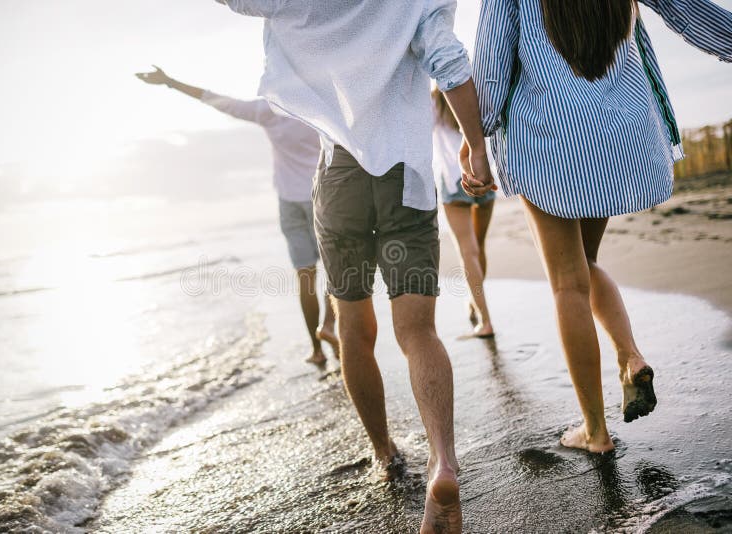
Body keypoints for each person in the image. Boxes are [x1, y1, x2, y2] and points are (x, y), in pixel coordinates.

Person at [216, 2, 496, 532]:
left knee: (353, 329)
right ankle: (443, 460)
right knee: (418, 332)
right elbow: (450, 62)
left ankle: (385, 451)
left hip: (341, 176)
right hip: (405, 178)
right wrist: (475, 147)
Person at [474, 0, 732, 453]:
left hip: (546, 138)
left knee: (567, 283)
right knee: (585, 265)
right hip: (617, 136)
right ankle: (630, 357)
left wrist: (476, 138)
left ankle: (595, 432)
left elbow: (493, 68)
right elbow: (690, 12)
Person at [135, 66, 339, 365]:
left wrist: (169, 82)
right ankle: (330, 326)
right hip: (321, 197)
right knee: (337, 272)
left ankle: (317, 350)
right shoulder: (319, 109)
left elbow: (217, 100)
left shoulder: (266, 111)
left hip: (289, 203)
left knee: (305, 278)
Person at [432, 87, 496, 338]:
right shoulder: (476, 94)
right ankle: (475, 300)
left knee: (468, 252)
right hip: (481, 173)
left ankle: (486, 319)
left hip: (451, 179)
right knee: (478, 247)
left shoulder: (435, 102)